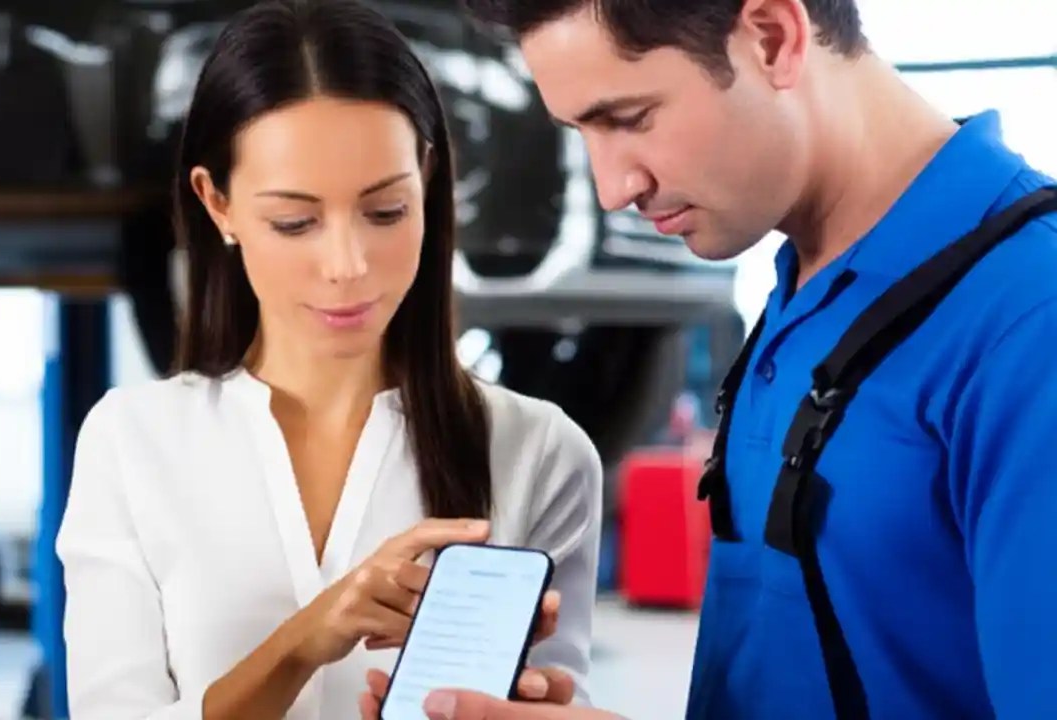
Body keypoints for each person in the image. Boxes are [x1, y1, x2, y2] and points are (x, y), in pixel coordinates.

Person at [360, 0, 1057, 718]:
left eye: (629, 119)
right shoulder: (806, 291)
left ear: (771, 36)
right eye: (580, 133)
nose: (612, 189)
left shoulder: (1031, 320)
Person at [54, 1, 604, 719]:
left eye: (385, 212)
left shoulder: (538, 451)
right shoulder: (133, 441)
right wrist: (308, 638)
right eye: (295, 222)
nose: (347, 265)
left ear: (428, 182)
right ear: (216, 204)